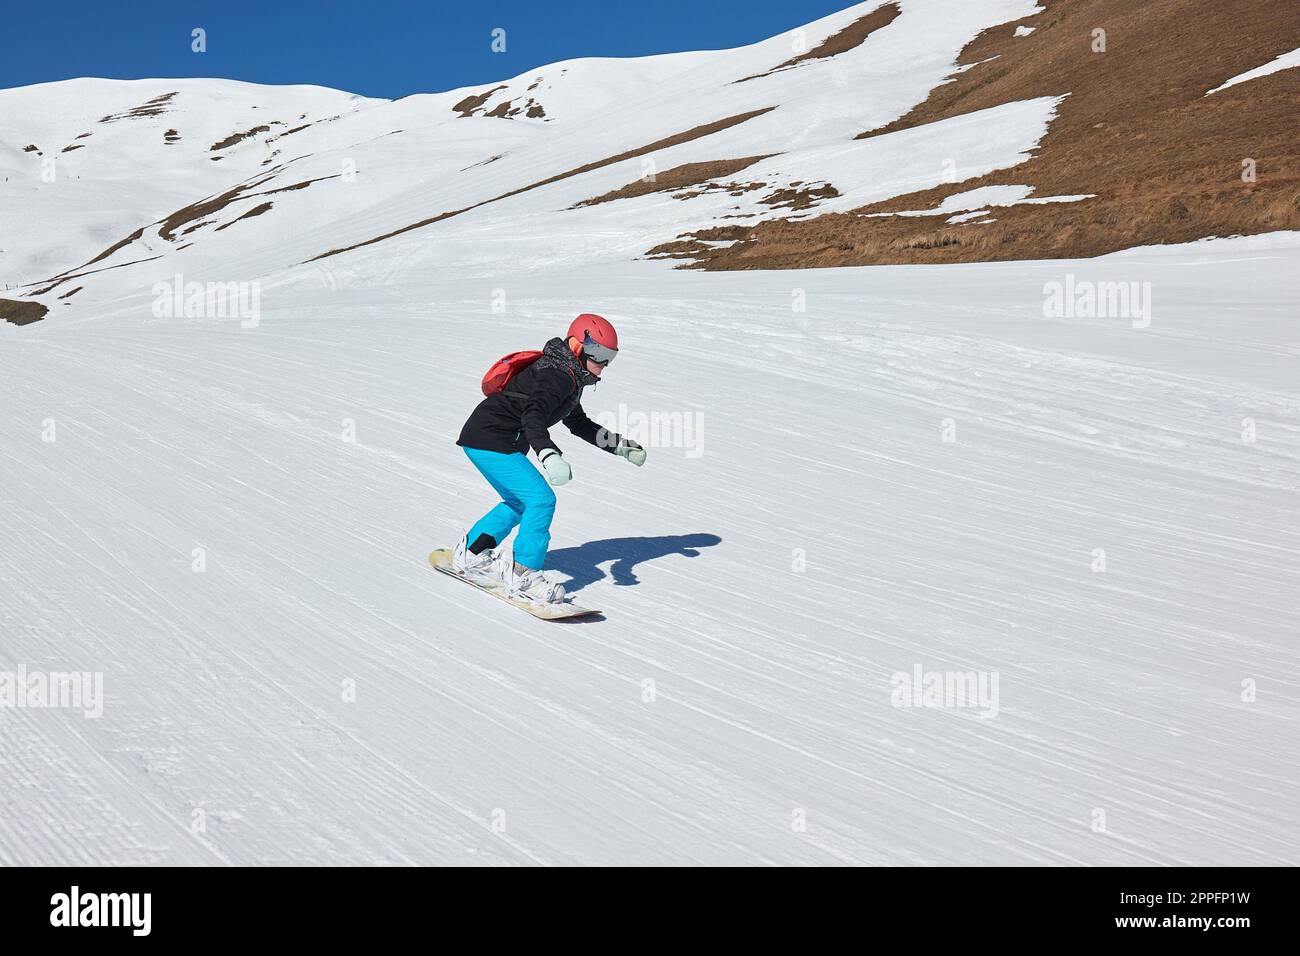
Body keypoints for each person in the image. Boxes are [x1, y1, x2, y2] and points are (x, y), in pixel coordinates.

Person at [454, 313, 646, 603]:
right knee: (540, 499)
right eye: (599, 354)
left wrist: (619, 445)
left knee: (521, 503)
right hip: (491, 438)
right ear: (577, 346)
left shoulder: (569, 376)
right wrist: (548, 453)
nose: (603, 364)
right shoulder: (556, 375)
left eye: (610, 357)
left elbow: (578, 423)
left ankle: (472, 554)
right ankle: (524, 577)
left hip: (489, 438)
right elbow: (534, 414)